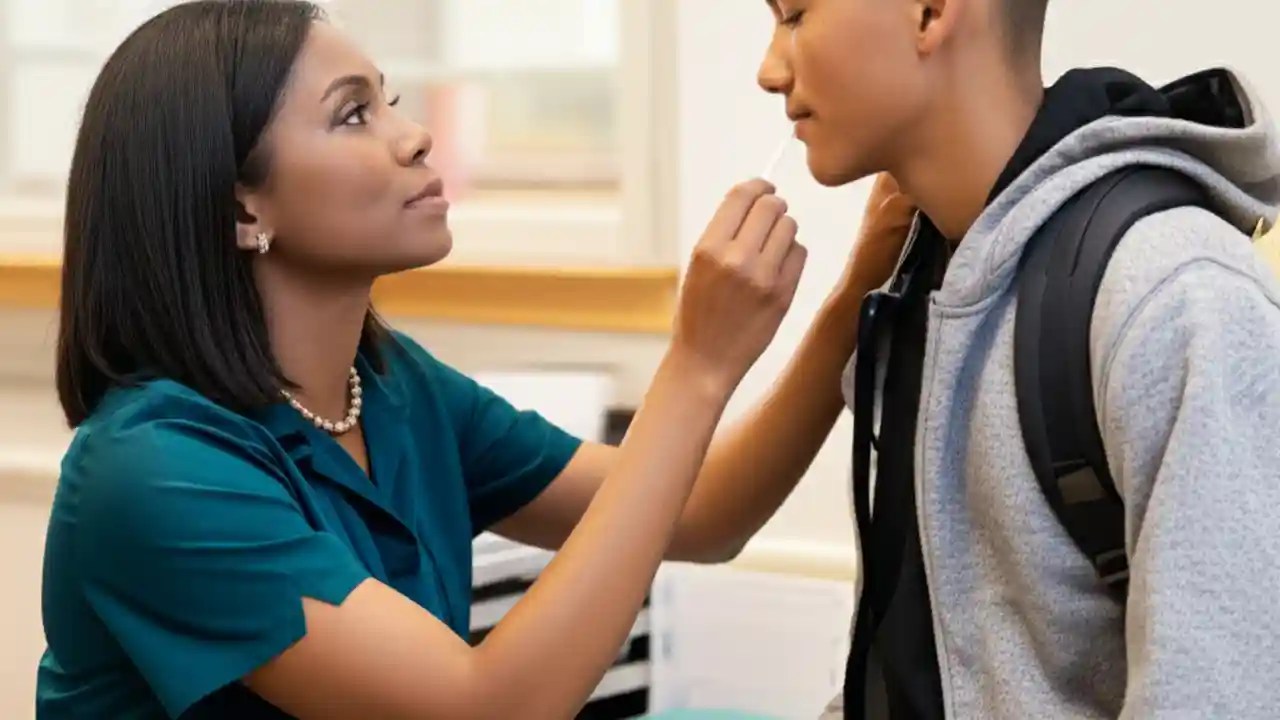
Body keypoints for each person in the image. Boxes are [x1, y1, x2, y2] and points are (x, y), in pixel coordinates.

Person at [36, 1, 910, 718]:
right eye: (352, 115)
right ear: (240, 208)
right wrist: (697, 364)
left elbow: (706, 514)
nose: (414, 136)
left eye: (389, 100)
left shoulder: (391, 389)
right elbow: (488, 710)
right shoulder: (151, 472)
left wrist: (851, 299)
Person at [756, 0, 1280, 718]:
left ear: (930, 11)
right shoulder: (916, 285)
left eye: (795, 14)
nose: (768, 70)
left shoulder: (1171, 295)